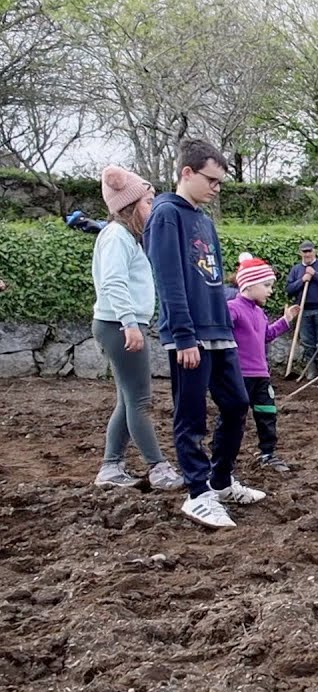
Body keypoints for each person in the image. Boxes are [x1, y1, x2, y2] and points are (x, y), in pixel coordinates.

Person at [147, 138, 265, 530]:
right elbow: (169, 279)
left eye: (220, 182)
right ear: (187, 172)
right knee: (191, 415)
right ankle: (198, 494)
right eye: (212, 180)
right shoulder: (166, 214)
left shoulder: (204, 218)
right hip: (190, 336)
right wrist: (183, 335)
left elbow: (212, 280)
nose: (217, 188)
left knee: (236, 405)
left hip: (219, 331)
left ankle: (220, 479)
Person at [90, 165, 183, 491]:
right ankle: (159, 469)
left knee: (128, 400)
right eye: (148, 201)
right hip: (118, 324)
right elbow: (113, 282)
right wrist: (130, 323)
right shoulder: (117, 236)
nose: (153, 207)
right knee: (140, 400)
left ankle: (111, 468)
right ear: (129, 206)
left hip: (118, 323)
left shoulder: (125, 236)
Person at [225, 256, 301, 472]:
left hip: (261, 375)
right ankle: (225, 460)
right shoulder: (232, 308)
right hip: (240, 375)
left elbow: (266, 335)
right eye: (266, 285)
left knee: (267, 413)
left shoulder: (259, 312)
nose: (270, 291)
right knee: (234, 418)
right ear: (248, 285)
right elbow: (221, 331)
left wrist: (285, 321)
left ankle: (268, 453)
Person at [285, 241, 318, 379]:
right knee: (307, 342)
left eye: (309, 251)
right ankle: (311, 370)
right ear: (300, 253)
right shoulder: (296, 270)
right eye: (304, 251)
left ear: (314, 251)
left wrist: (315, 275)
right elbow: (289, 290)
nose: (307, 254)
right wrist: (302, 280)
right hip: (303, 310)